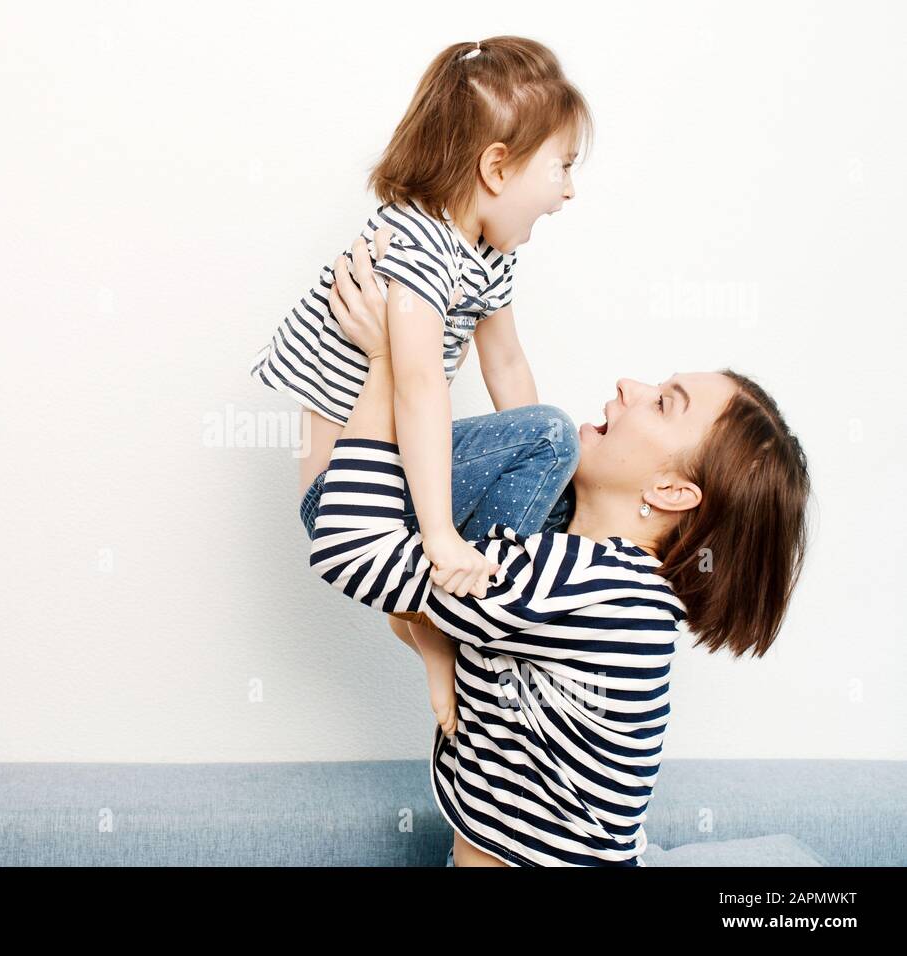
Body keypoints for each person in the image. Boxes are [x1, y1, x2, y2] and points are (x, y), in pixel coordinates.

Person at [310, 232, 812, 867]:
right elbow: (413, 603)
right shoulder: (604, 579)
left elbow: (348, 548)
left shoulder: (580, 585)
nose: (629, 385)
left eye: (661, 403)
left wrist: (388, 365)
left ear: (672, 490)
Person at [249, 39, 594, 731]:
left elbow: (505, 364)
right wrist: (438, 534)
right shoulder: (415, 244)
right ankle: (466, 612)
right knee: (554, 436)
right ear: (497, 168)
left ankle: (432, 621)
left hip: (395, 486)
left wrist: (549, 478)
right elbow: (417, 387)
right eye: (562, 166)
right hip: (343, 496)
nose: (568, 191)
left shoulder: (486, 253)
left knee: (560, 482)